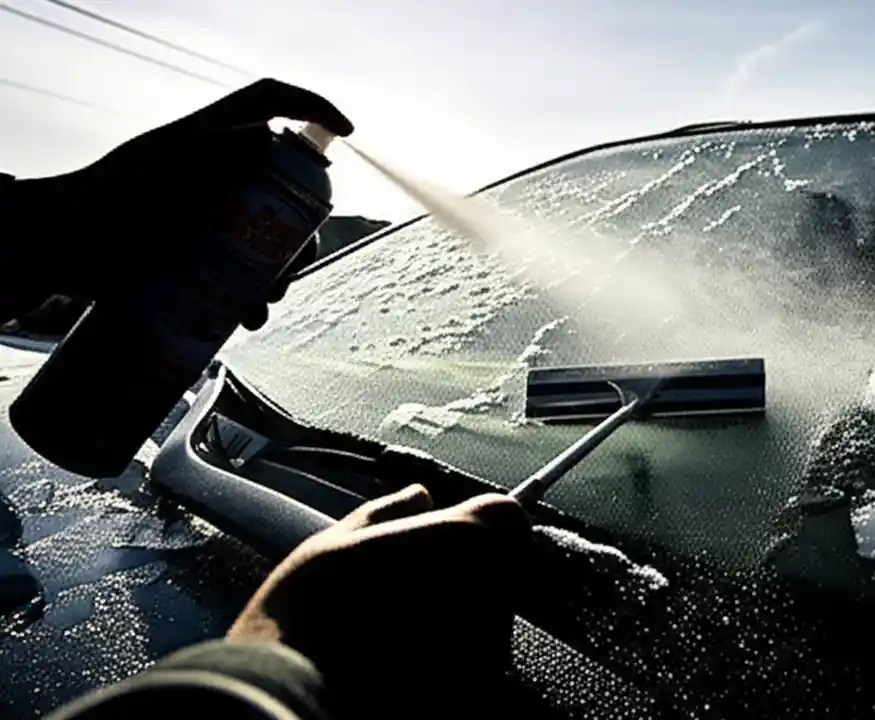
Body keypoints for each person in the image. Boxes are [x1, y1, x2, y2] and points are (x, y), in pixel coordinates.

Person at [1, 79, 532, 719]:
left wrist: (54, 226)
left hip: (137, 359)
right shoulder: (281, 182)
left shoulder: (287, 184)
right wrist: (278, 651)